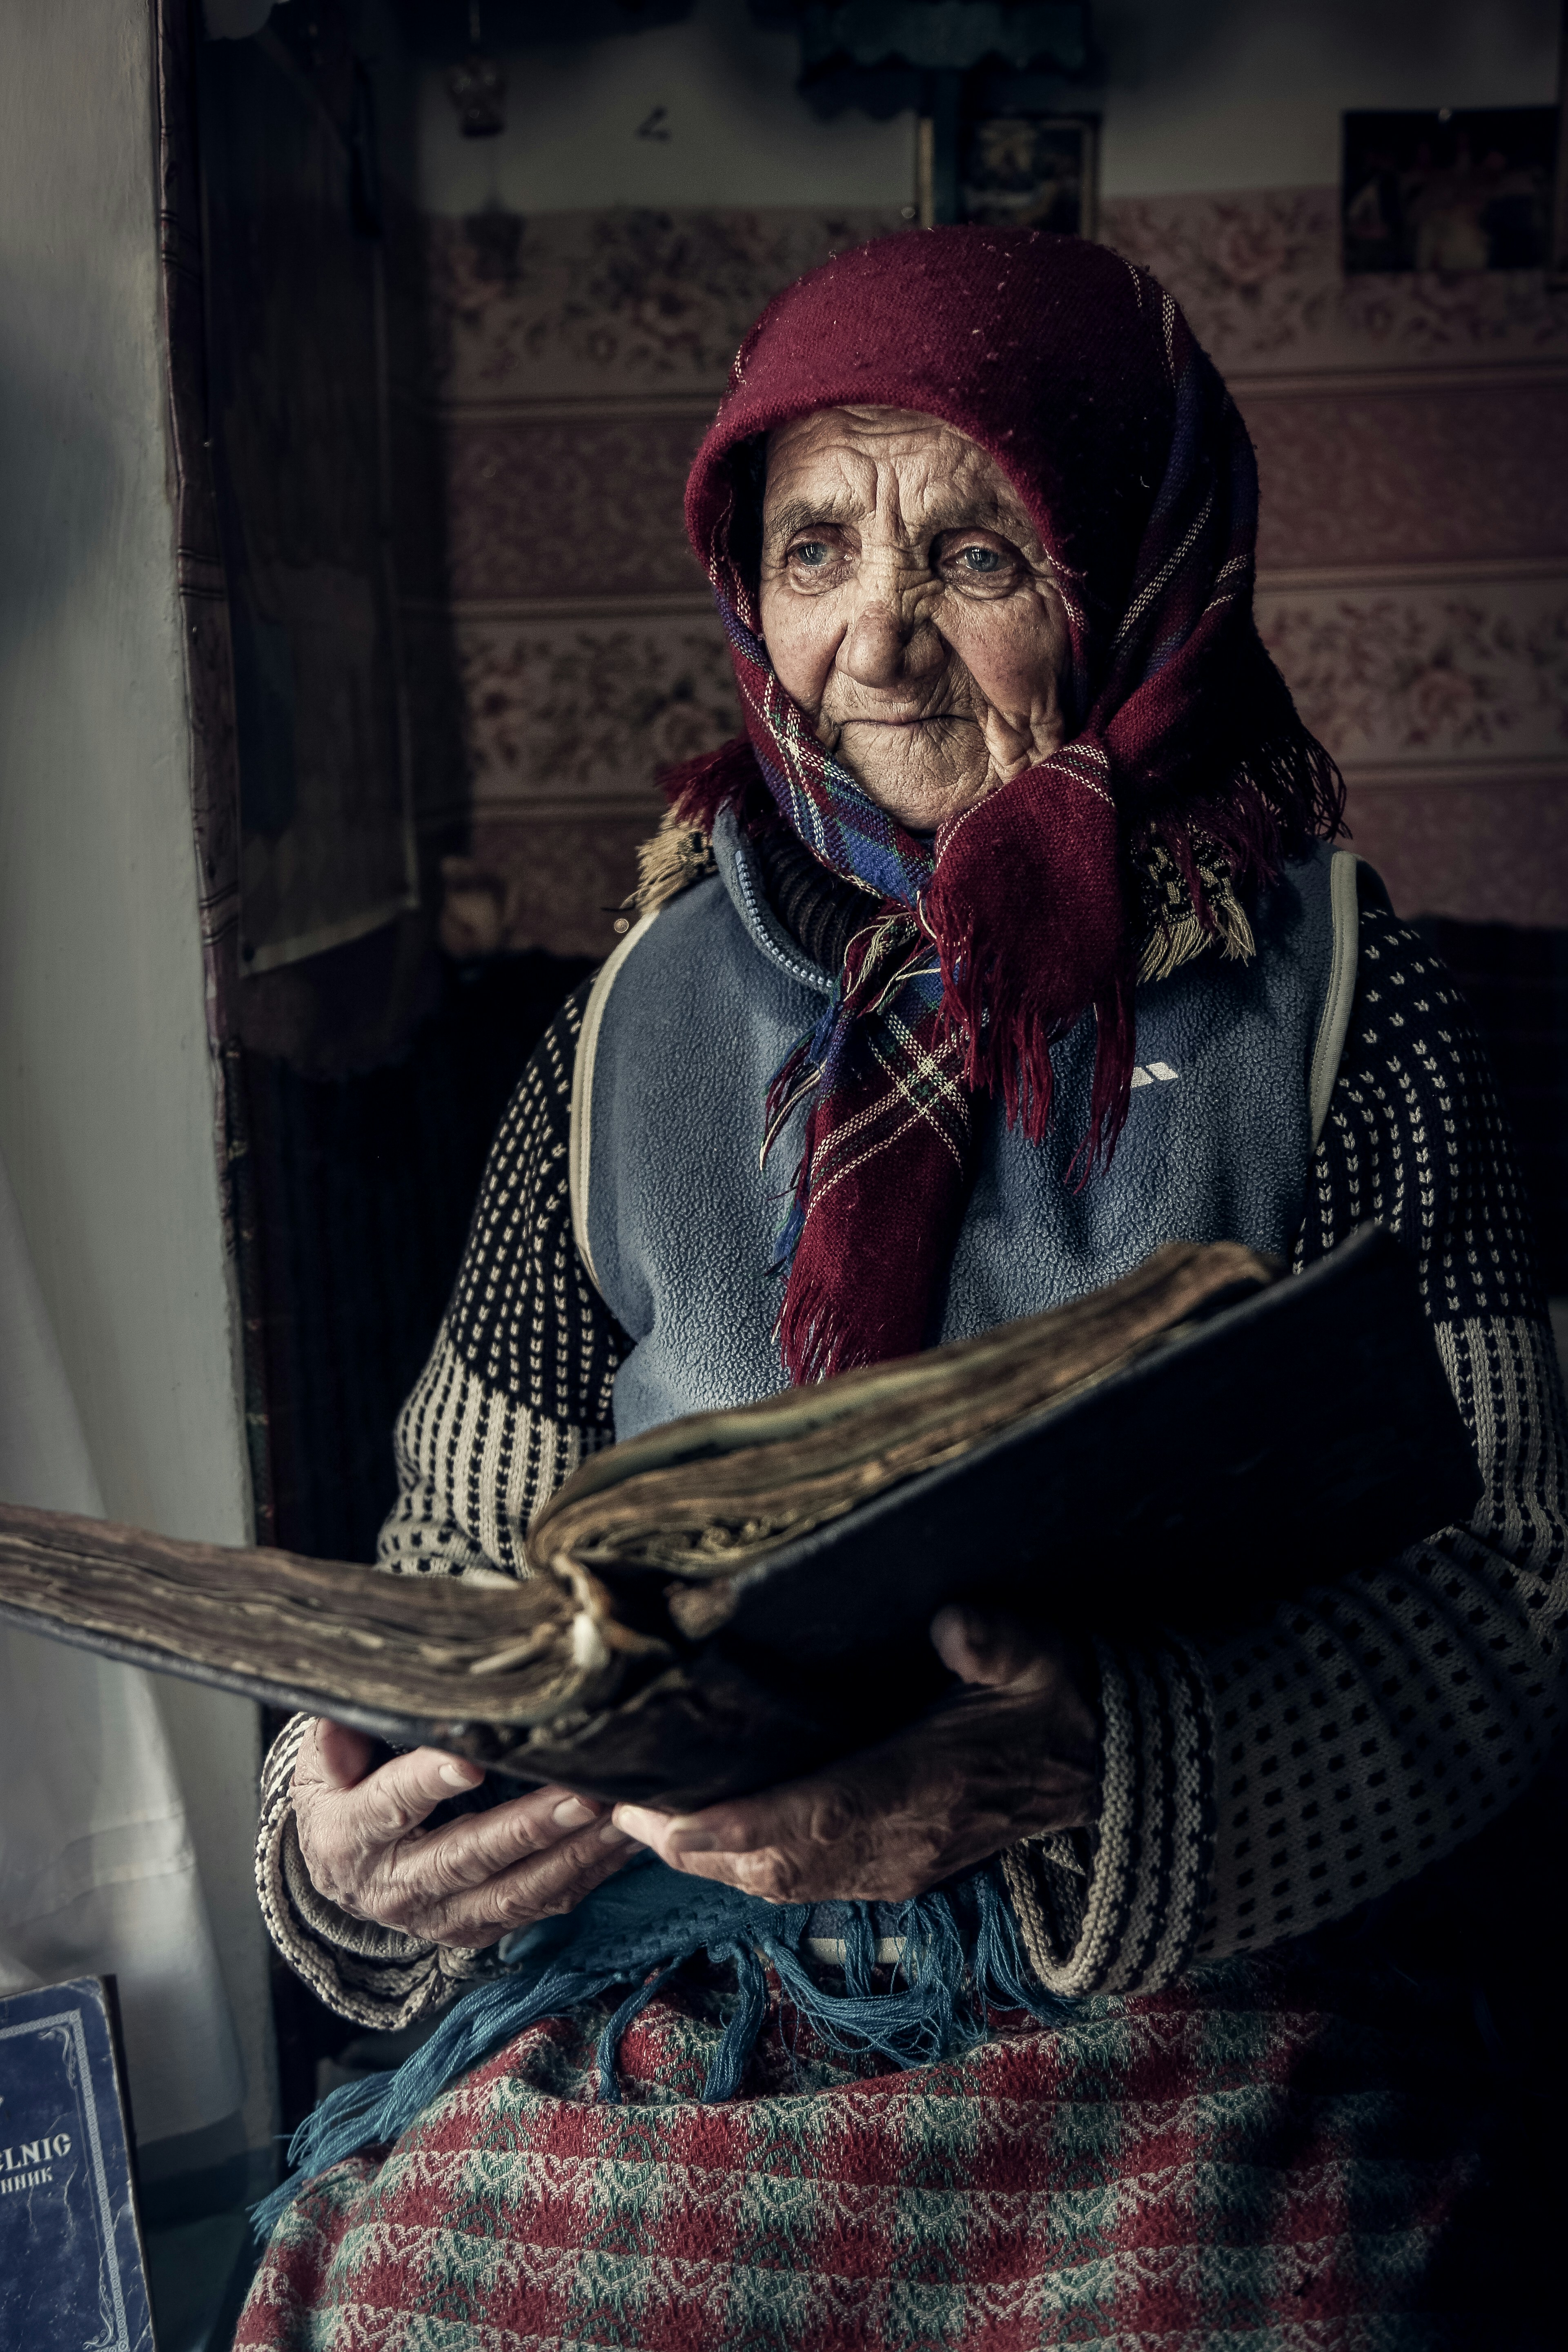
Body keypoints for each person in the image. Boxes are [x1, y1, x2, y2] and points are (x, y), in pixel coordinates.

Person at [238, 231, 1566, 2349]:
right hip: (690, 1980)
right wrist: (357, 1857)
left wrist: (1088, 1771)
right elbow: (471, 1582)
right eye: (814, 547)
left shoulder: (1336, 1003)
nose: (873, 636)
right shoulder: (629, 1021)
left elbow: (1522, 1596)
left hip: (1175, 1993)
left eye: (975, 556)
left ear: (1135, 567)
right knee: (389, 2293)